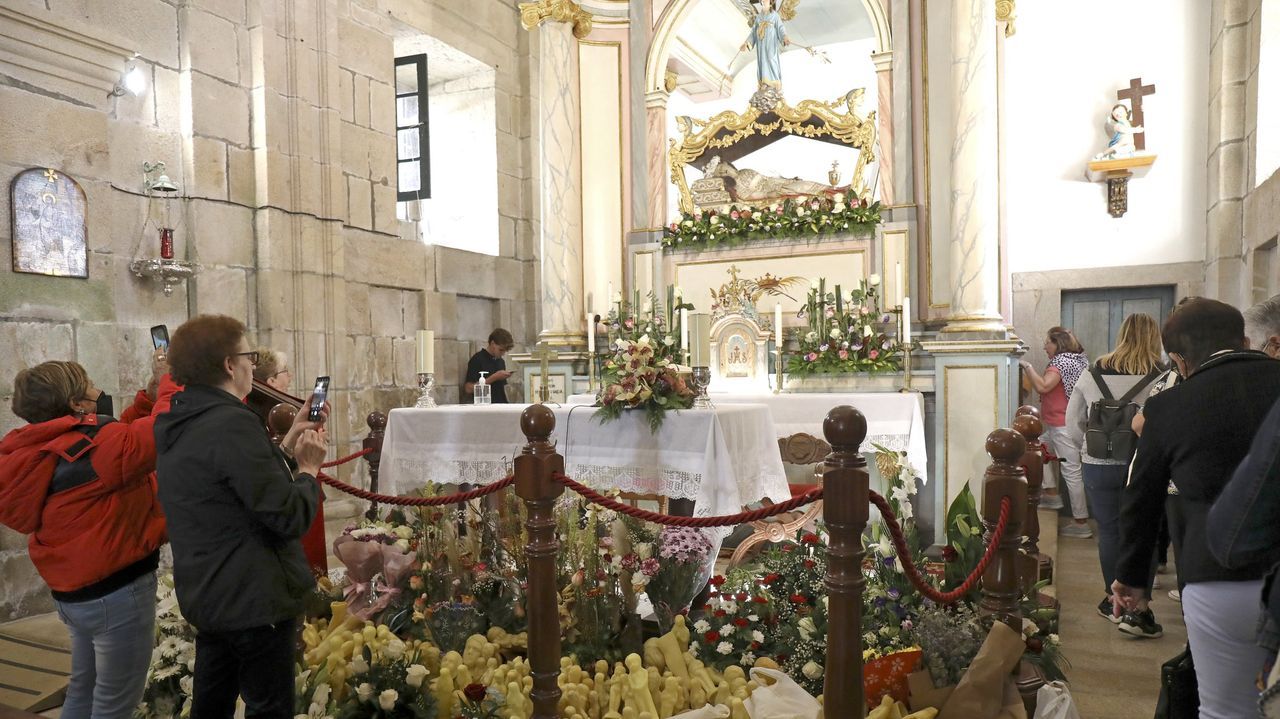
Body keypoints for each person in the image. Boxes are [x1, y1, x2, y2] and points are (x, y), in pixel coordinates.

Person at [1112, 298, 1280, 718]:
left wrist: (1133, 579)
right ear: (1244, 340)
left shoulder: (1168, 406)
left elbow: (1142, 497)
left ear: (1178, 361)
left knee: (1227, 710)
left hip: (1216, 575)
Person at [155, 314, 327, 718]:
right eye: (249, 355)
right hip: (253, 599)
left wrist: (286, 444)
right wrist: (308, 471)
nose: (253, 364)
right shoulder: (232, 422)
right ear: (230, 365)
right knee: (268, 706)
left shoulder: (184, 418)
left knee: (211, 705)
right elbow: (287, 515)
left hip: (213, 593)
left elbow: (234, 488)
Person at [0, 351, 175, 719]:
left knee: (84, 688)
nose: (98, 390)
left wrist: (146, 396)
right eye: (90, 385)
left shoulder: (35, 444)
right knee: (115, 703)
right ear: (76, 403)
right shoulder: (101, 448)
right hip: (116, 592)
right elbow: (162, 430)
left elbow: (114, 441)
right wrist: (169, 381)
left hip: (75, 593)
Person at [1064, 313, 1164, 636]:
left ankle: (1113, 601)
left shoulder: (1092, 373)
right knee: (1143, 535)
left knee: (1108, 532)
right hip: (1142, 466)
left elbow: (1072, 422)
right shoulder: (1162, 376)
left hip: (1097, 465)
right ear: (1154, 338)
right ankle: (1140, 610)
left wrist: (1090, 449)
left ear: (1121, 335)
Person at [1020, 327, 1091, 537]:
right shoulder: (1078, 359)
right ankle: (1050, 493)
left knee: (1072, 472)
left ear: (1057, 343)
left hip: (1063, 426)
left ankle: (1081, 523)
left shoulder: (1061, 362)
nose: (1044, 347)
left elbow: (1043, 386)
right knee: (1035, 449)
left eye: (1047, 342)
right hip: (1063, 424)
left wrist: (1027, 367)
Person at [740, 0, 790, 90]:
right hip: (761, 43)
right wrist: (746, 43)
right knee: (762, 60)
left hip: (771, 43)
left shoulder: (775, 15)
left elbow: (780, 28)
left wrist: (785, 37)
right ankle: (765, 82)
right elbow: (753, 33)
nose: (763, 0)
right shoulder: (758, 17)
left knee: (771, 58)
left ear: (770, 1)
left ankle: (774, 81)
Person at [464, 328, 515, 404]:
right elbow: (468, 388)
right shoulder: (477, 359)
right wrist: (494, 377)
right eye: (501, 350)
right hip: (485, 406)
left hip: (501, 405)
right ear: (492, 344)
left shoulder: (501, 361)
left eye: (505, 351)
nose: (503, 353)